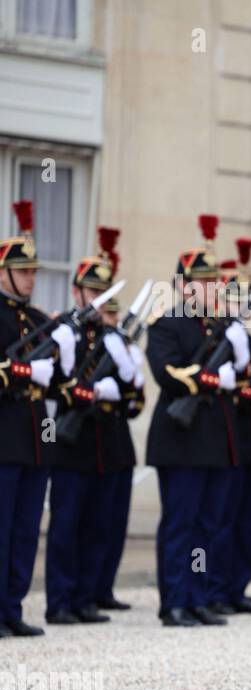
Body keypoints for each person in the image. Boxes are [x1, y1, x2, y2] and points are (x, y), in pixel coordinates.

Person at [144, 214, 243, 627]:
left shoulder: (220, 327)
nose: (211, 287)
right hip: (180, 438)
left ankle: (198, 596)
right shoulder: (167, 323)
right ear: (184, 286)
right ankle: (174, 601)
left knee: (208, 526)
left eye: (213, 281)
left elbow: (239, 381)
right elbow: (165, 372)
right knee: (181, 525)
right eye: (202, 282)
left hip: (214, 440)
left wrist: (238, 363)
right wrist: (206, 376)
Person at [45, 227, 135, 625]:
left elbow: (132, 386)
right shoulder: (63, 329)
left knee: (98, 525)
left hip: (104, 444)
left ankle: (85, 597)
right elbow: (51, 381)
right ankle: (60, 600)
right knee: (66, 525)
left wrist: (118, 382)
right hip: (70, 441)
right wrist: (82, 391)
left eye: (103, 292)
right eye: (91, 292)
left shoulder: (109, 335)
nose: (98, 301)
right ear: (76, 291)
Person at [0, 200, 61, 637]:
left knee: (25, 529)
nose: (31, 278)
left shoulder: (40, 321)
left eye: (34, 272)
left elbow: (58, 383)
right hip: (4, 436)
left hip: (38, 436)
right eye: (24, 271)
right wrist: (24, 370)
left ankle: (13, 607)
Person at [212, 237, 251, 615]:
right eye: (238, 297)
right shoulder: (220, 336)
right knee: (223, 517)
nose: (245, 305)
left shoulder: (250, 338)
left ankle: (236, 586)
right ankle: (216, 587)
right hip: (228, 435)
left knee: (246, 517)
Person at [93, 293, 145, 612]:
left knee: (114, 523)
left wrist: (131, 375)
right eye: (107, 317)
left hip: (118, 441)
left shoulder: (120, 348)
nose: (112, 323)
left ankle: (103, 587)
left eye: (115, 317)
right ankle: (73, 594)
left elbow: (135, 404)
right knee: (88, 523)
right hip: (87, 440)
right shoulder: (90, 347)